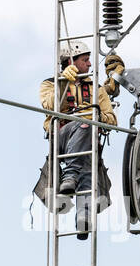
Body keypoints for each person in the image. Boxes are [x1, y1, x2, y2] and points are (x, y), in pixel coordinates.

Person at [39, 42, 123, 238]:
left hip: (86, 139)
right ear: (71, 62)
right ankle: (69, 176)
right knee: (83, 125)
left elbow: (111, 118)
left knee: (87, 167)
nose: (90, 65)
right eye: (85, 61)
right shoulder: (50, 84)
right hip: (61, 138)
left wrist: (94, 116)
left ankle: (83, 218)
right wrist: (63, 82)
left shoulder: (96, 89)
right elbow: (49, 106)